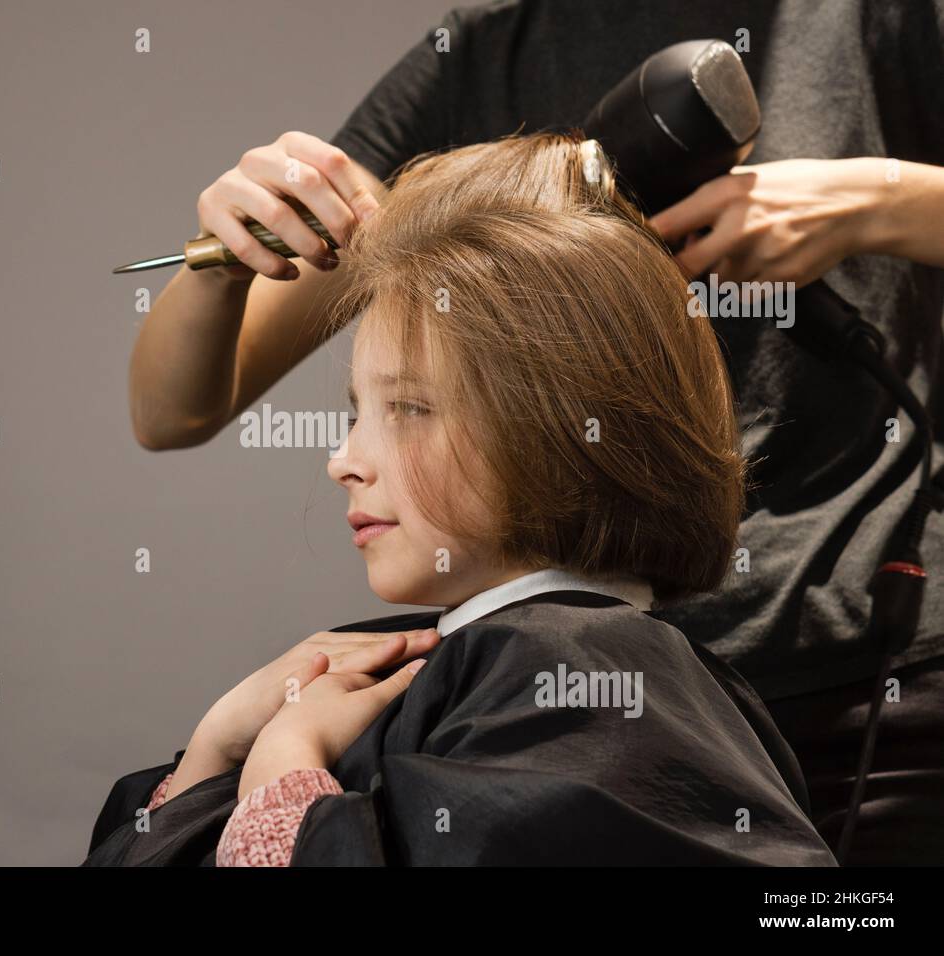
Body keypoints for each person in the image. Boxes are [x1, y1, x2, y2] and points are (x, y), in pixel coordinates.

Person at [124, 0, 944, 865]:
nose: (340, 460)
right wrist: (222, 259)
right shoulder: (484, 49)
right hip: (560, 682)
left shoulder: (880, 19)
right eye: (367, 408)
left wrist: (884, 200)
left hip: (877, 677)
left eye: (406, 406)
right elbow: (171, 410)